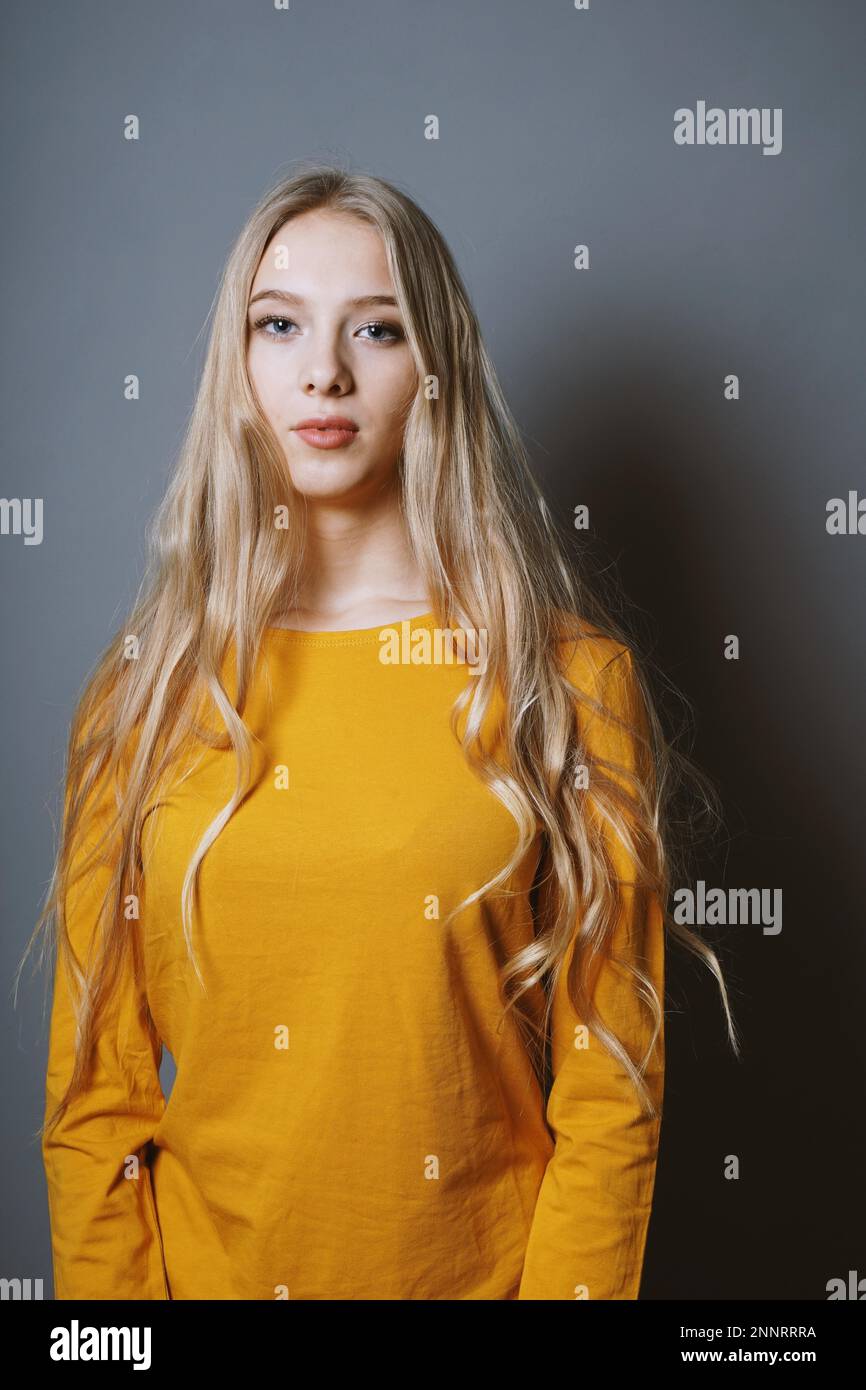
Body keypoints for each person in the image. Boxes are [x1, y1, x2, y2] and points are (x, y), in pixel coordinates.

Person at [24, 163, 737, 1300]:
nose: (323, 372)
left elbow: (610, 1098)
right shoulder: (142, 697)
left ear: (436, 367)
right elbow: (94, 1098)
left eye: (377, 328)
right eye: (279, 325)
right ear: (238, 364)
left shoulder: (566, 683)